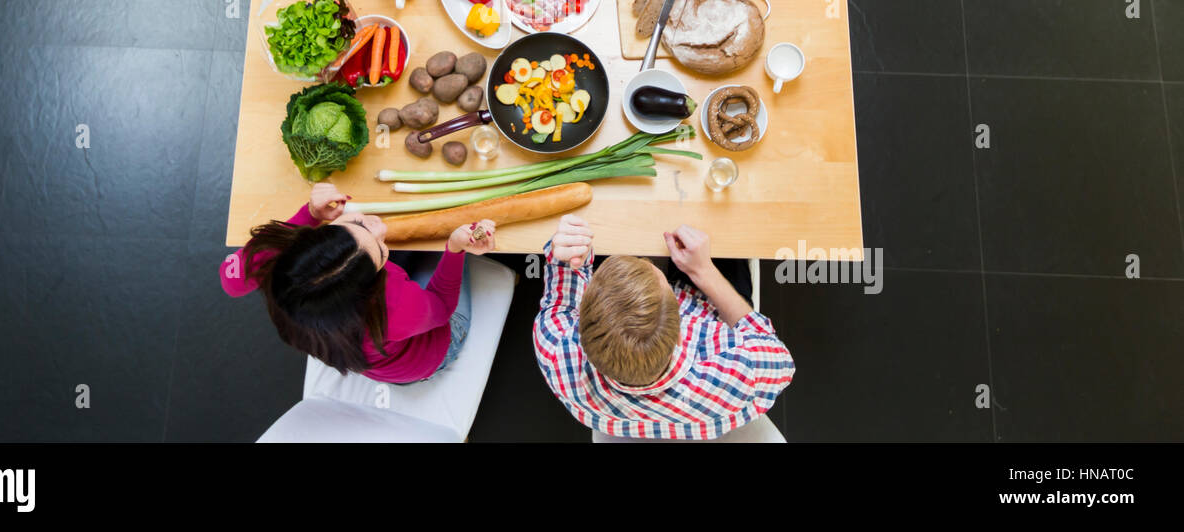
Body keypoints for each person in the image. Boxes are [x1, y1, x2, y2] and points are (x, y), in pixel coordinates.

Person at [533, 214, 794, 439]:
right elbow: (773, 350)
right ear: (682, 331)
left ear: (580, 331)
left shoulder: (558, 355)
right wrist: (704, 272)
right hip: (706, 302)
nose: (648, 260)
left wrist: (567, 256)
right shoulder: (732, 369)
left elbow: (558, 308)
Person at [220, 182, 496, 383]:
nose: (381, 228)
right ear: (372, 286)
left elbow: (229, 281)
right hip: (434, 349)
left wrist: (312, 214)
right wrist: (455, 248)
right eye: (379, 249)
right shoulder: (394, 308)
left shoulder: (273, 262)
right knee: (445, 250)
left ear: (308, 241)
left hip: (377, 355)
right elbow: (442, 306)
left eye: (356, 226)